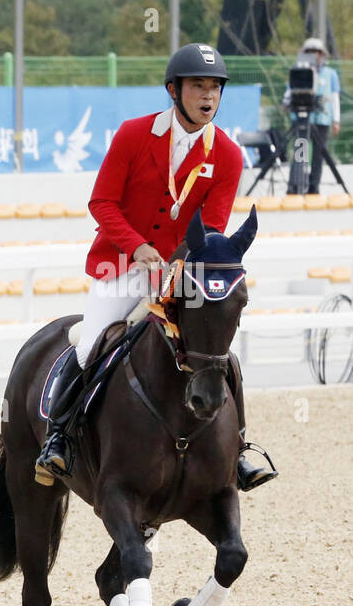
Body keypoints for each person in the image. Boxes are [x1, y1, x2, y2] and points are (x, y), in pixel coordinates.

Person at [35, 43, 277, 492]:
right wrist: (139, 247)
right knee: (89, 346)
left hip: (179, 273)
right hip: (120, 265)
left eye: (215, 88)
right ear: (174, 90)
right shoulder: (133, 135)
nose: (208, 96)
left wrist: (179, 266)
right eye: (198, 86)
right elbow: (101, 203)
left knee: (216, 352)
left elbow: (213, 226)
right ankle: (58, 440)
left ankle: (240, 449)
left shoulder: (226, 155)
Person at [283, 37, 342, 195]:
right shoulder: (298, 70)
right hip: (301, 118)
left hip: (322, 119)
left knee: (318, 154)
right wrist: (286, 102)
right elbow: (290, 91)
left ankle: (313, 187)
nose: (313, 55)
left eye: (316, 52)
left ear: (322, 54)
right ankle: (294, 186)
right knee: (300, 153)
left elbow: (335, 98)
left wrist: (336, 120)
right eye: (309, 52)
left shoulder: (330, 74)